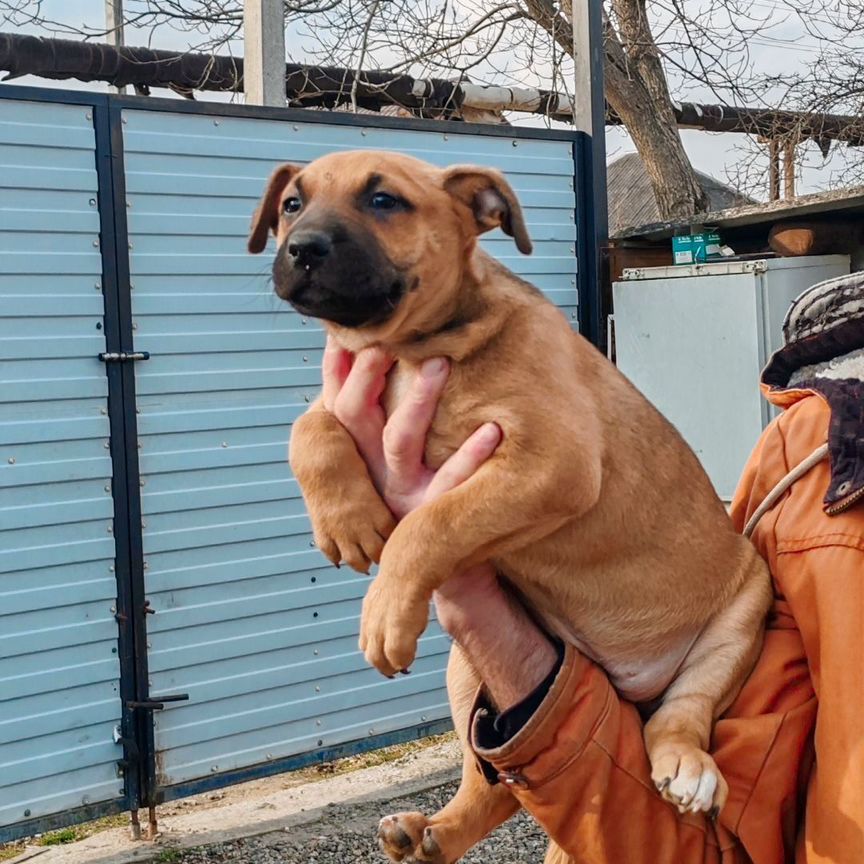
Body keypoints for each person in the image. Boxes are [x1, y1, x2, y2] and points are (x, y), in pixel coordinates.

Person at [315, 274, 864, 864]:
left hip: (666, 656)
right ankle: (472, 808)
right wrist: (462, 587)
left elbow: (563, 473)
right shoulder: (818, 451)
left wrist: (421, 552)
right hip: (590, 650)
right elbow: (713, 838)